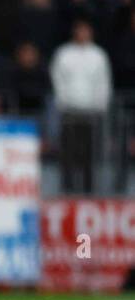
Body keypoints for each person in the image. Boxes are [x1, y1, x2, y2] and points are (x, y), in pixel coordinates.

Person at [49, 18, 112, 194]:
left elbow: (103, 82)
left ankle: (88, 188)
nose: (83, 34)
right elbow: (58, 79)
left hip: (91, 111)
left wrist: (101, 105)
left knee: (89, 153)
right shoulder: (63, 53)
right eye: (80, 30)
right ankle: (67, 187)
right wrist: (62, 101)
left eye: (86, 30)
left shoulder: (99, 55)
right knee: (68, 152)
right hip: (68, 110)